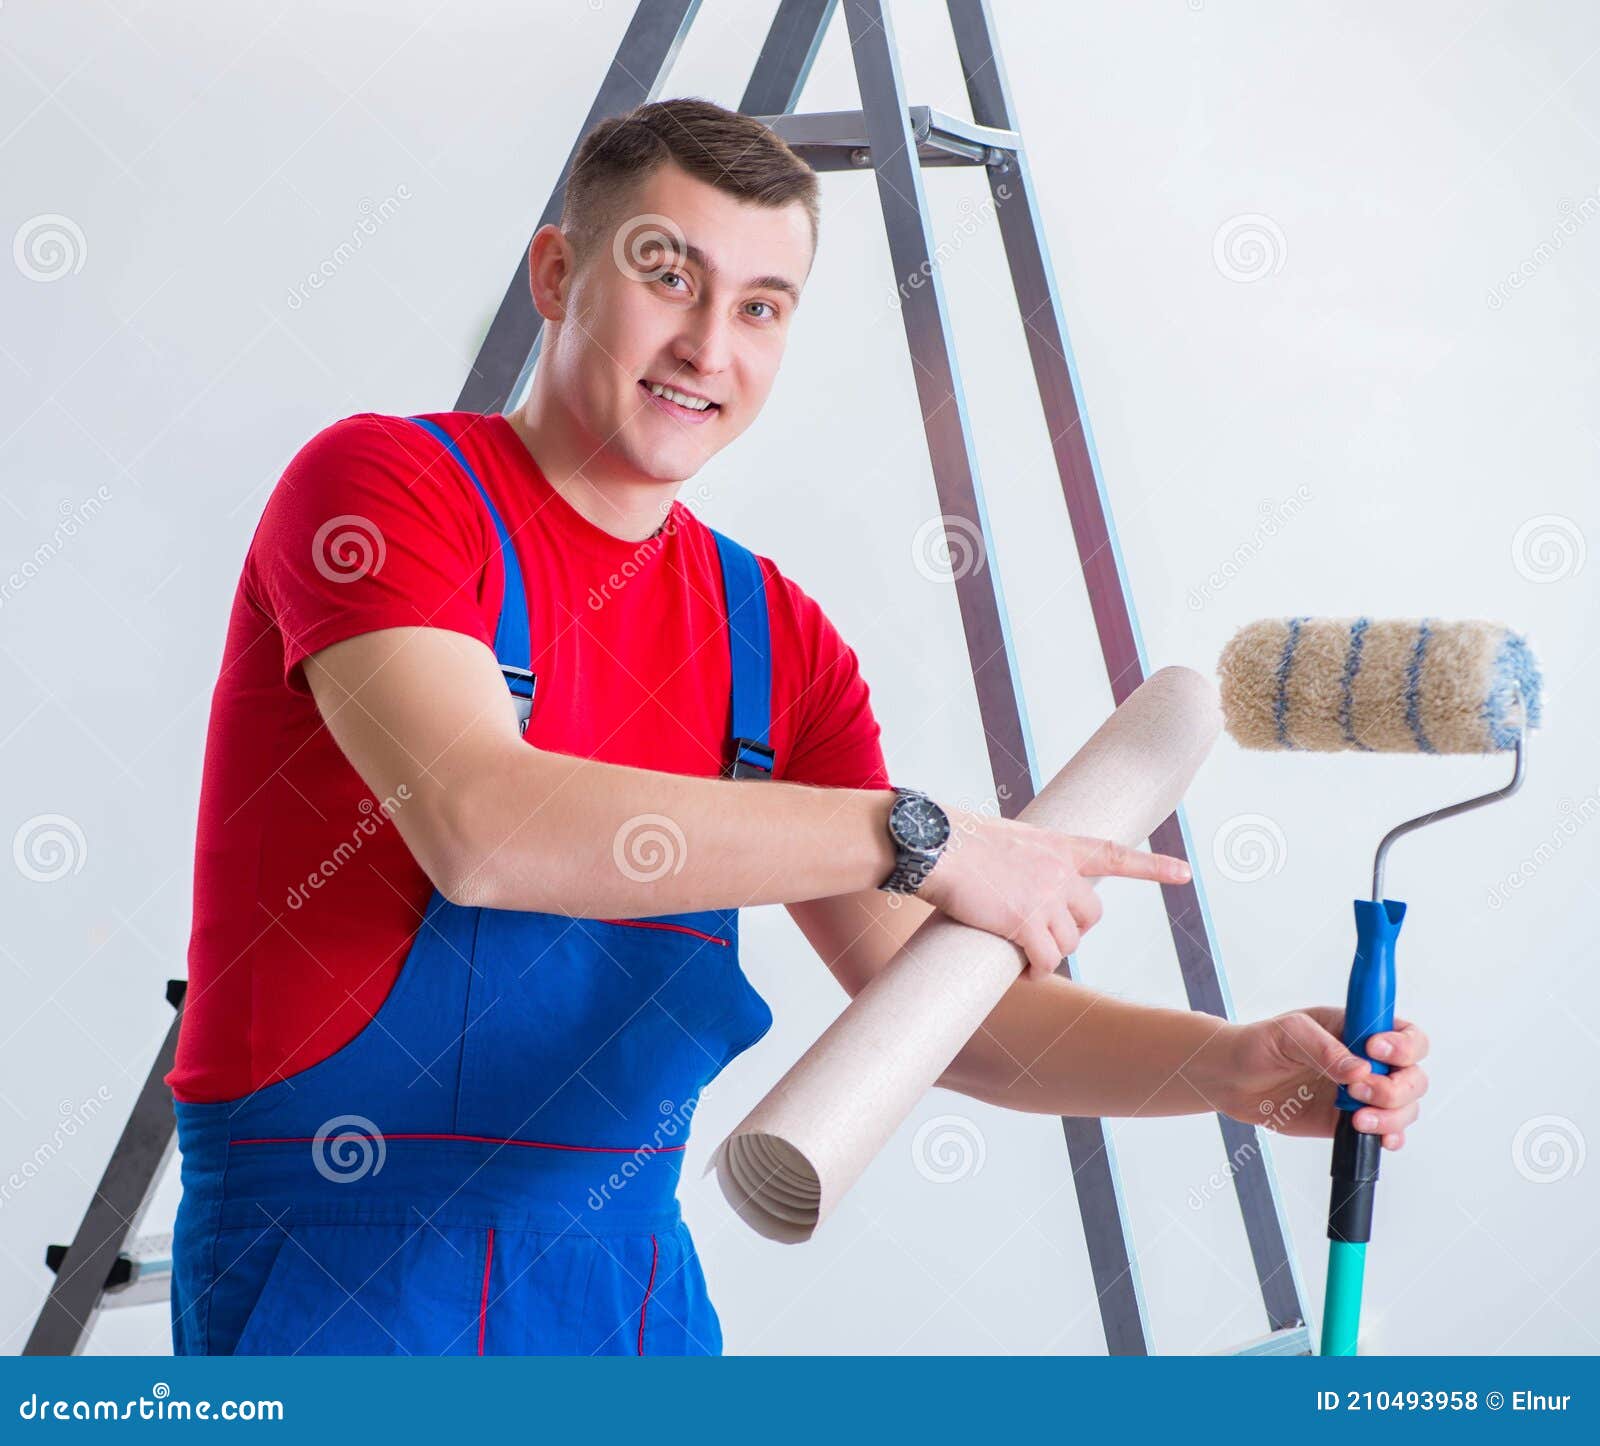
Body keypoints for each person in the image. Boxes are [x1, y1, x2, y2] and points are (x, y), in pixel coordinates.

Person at [166, 98, 1428, 1356]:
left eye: (762, 306)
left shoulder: (771, 641)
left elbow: (945, 1017)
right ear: (557, 272)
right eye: (669, 276)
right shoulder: (392, 489)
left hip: (630, 1291)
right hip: (346, 1279)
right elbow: (483, 826)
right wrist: (918, 836)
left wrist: (1228, 1066)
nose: (709, 346)